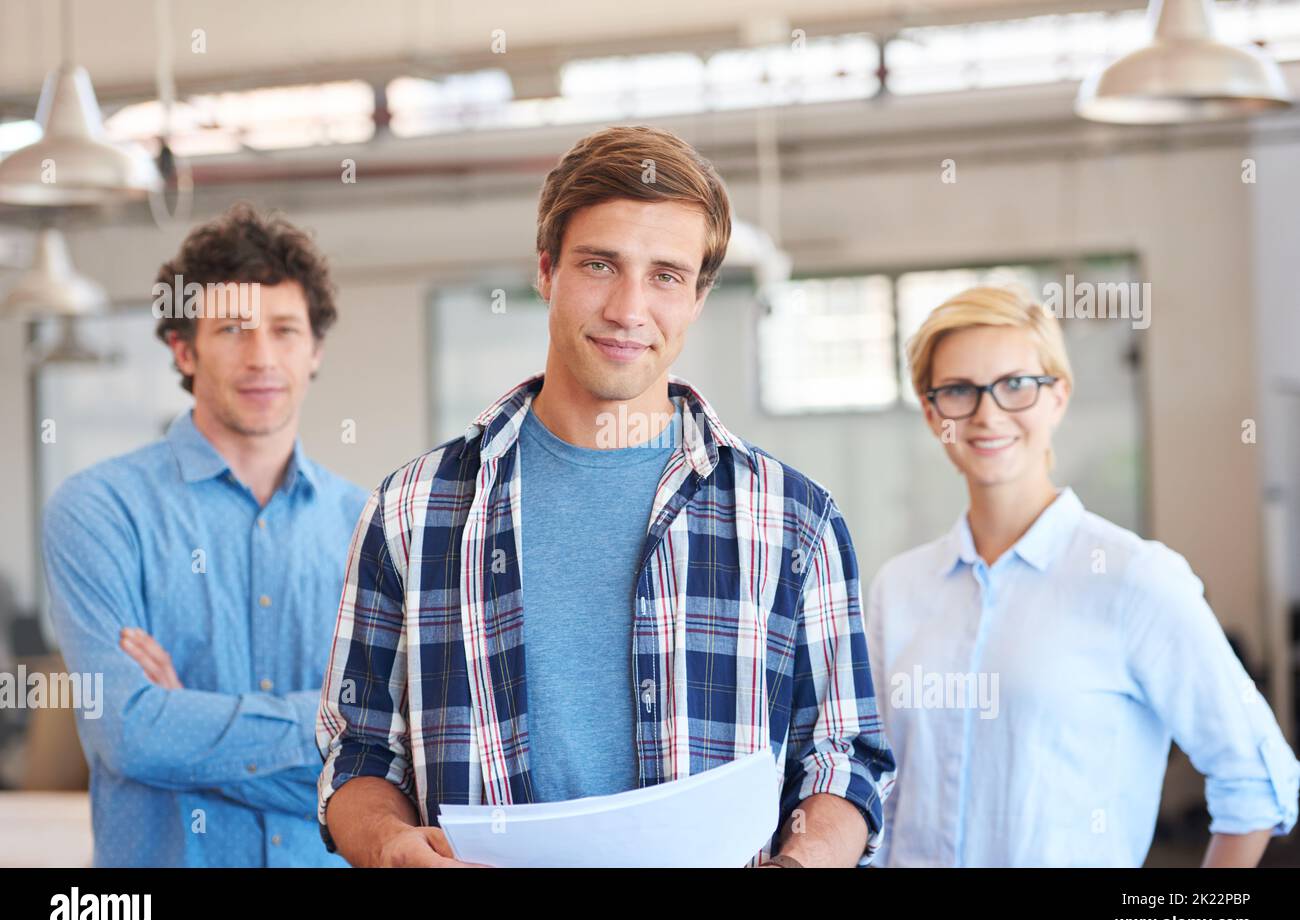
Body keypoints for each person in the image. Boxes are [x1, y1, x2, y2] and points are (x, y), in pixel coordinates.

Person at [317, 125, 895, 868]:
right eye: (599, 264)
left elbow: (843, 759)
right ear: (546, 269)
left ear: (697, 297)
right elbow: (359, 751)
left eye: (665, 275)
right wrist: (394, 847)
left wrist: (799, 863)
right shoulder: (412, 511)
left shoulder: (794, 522)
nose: (629, 308)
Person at [867, 284, 1300, 866]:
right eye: (959, 391)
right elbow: (873, 781)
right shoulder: (899, 588)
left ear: (1058, 397)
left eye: (1016, 385)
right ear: (931, 411)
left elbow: (1257, 779)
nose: (987, 413)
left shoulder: (1135, 580)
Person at [42, 203, 367, 866]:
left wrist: (184, 715)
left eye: (284, 329)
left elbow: (401, 754)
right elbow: (128, 735)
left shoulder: (372, 527)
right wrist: (328, 731)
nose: (262, 357)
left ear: (316, 351)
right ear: (183, 349)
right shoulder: (99, 511)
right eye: (233, 330)